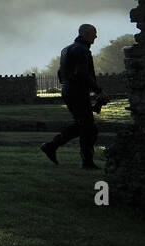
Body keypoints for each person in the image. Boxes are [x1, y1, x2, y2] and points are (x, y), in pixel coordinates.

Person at [39, 24, 103, 169]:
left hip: (68, 90)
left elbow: (60, 74)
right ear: (84, 33)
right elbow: (82, 74)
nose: (96, 37)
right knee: (88, 127)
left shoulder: (66, 49)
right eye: (94, 33)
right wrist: (99, 91)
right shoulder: (82, 50)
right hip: (77, 92)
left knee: (84, 125)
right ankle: (86, 161)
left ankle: (52, 146)